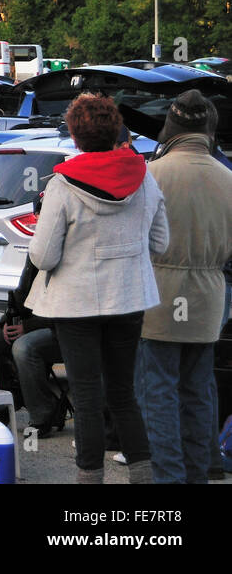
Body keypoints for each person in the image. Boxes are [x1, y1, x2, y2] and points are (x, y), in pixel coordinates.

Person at [25, 94, 168, 484]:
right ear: (116, 132)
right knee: (123, 393)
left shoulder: (63, 183)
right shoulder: (145, 177)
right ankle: (143, 476)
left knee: (86, 397)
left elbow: (42, 256)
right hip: (129, 299)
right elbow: (159, 243)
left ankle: (89, 480)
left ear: (75, 136)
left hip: (76, 304)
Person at [136, 91, 232, 484]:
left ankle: (169, 478)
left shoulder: (151, 174)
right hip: (209, 295)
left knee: (158, 393)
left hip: (159, 292)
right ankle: (198, 474)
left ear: (171, 129)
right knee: (199, 390)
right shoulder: (228, 178)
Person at [0, 257, 64, 435]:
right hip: (29, 323)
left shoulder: (71, 256)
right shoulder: (38, 251)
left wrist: (27, 327)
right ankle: (9, 397)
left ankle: (43, 414)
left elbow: (66, 313)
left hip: (62, 329)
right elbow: (21, 293)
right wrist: (7, 321)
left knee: (23, 347)